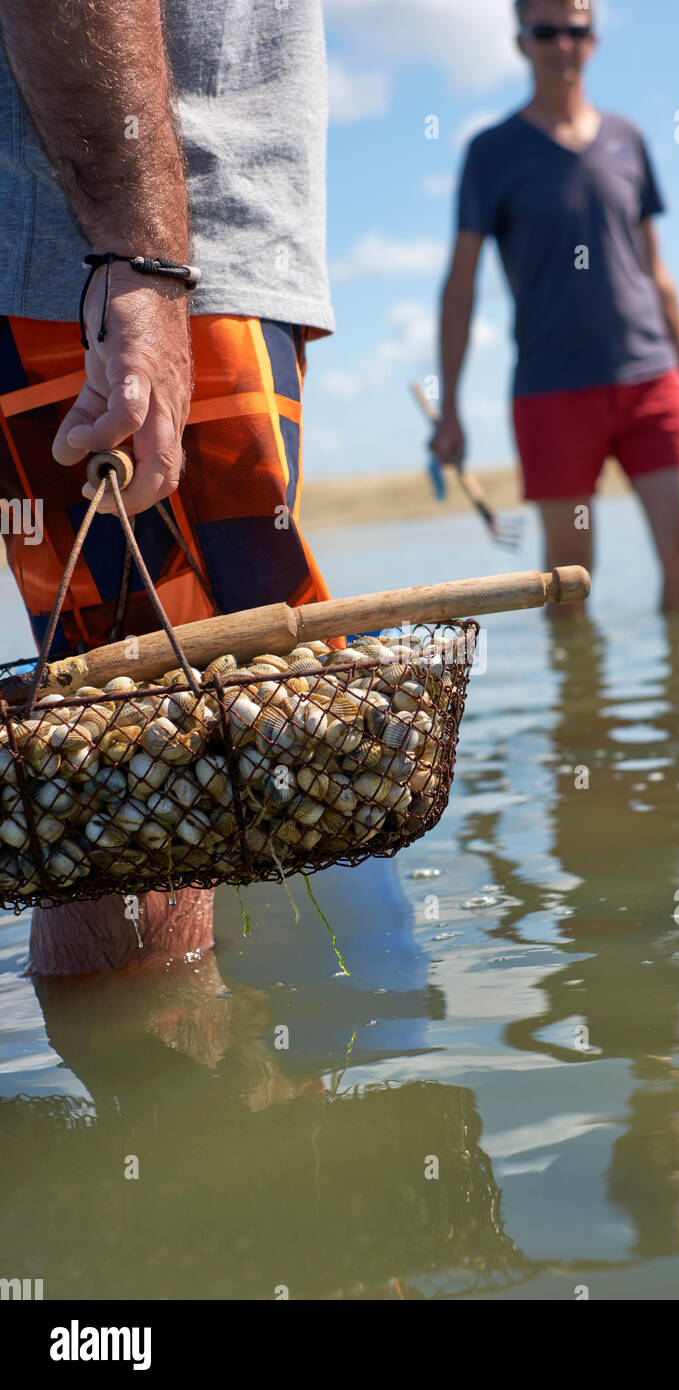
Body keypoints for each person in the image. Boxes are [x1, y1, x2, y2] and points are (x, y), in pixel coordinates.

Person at [0, 0, 335, 974]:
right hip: (133, 262)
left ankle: (164, 1094)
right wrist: (139, 260)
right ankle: (154, 1098)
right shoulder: (138, 263)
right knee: (137, 760)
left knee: (158, 752)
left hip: (171, 259)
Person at [432, 0, 679, 618]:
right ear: (522, 41)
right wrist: (451, 409)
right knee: (570, 580)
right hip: (552, 390)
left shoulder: (629, 141)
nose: (561, 44)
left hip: (652, 379)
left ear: (593, 39)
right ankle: (581, 715)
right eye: (546, 31)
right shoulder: (492, 152)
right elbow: (460, 287)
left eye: (575, 31)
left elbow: (658, 273)